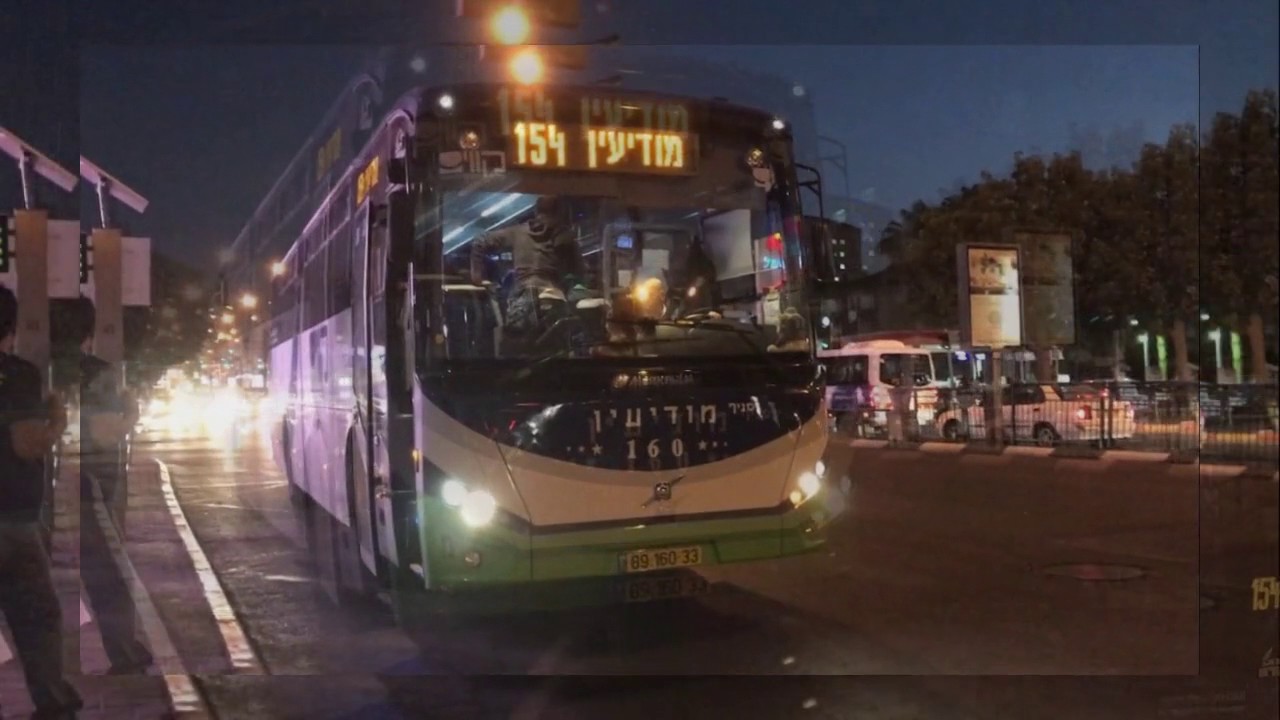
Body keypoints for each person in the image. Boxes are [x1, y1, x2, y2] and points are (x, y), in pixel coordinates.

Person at [0, 284, 83, 719]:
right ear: (8, 329)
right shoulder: (14, 375)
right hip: (9, 521)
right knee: (38, 617)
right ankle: (52, 701)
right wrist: (56, 421)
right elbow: (27, 443)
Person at [69, 296, 153, 676]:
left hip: (33, 493)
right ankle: (123, 651)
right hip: (88, 490)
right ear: (88, 333)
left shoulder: (32, 371)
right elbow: (104, 435)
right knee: (108, 575)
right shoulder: (94, 374)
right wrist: (131, 414)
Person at [470, 196, 583, 336]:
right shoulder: (565, 236)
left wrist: (477, 276)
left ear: (535, 211)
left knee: (517, 343)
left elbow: (480, 241)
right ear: (561, 213)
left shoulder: (517, 232)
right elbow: (579, 273)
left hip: (522, 297)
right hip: (553, 296)